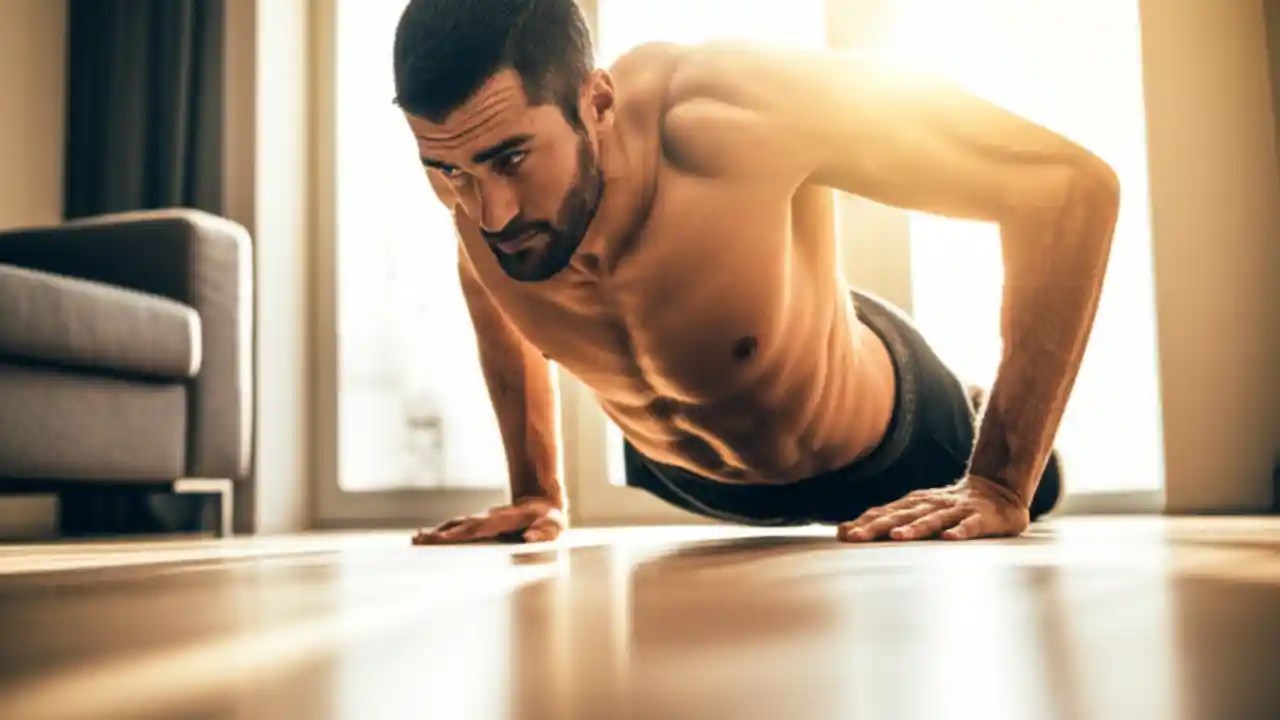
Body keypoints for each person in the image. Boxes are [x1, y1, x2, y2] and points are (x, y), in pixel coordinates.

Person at [395, 0, 1118, 545]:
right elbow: (492, 288)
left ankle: (977, 409)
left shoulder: (729, 110)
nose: (486, 212)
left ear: (599, 102)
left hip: (889, 451)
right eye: (447, 169)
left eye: (512, 159)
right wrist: (536, 490)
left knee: (1038, 483)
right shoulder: (476, 185)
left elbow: (1065, 189)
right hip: (688, 483)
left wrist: (996, 479)